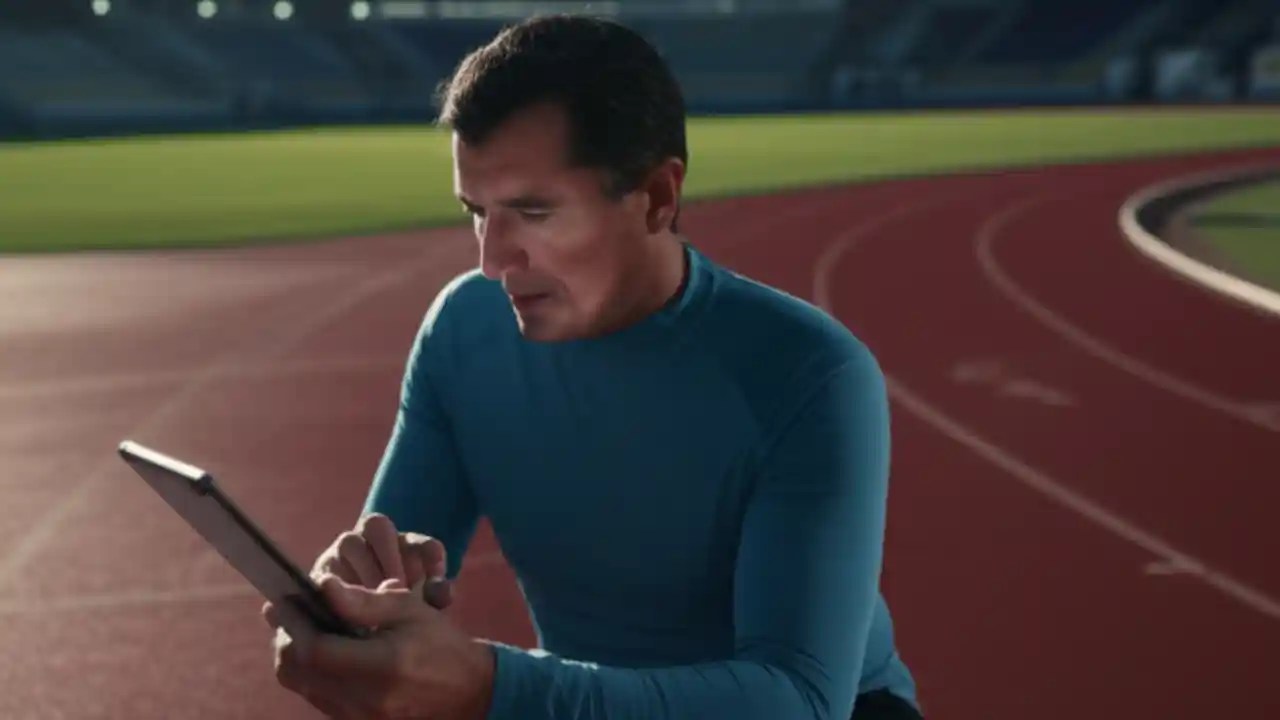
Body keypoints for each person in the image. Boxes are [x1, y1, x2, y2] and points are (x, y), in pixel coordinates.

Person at [262, 13, 922, 720]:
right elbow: (392, 561)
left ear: (659, 198)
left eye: (533, 212)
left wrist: (493, 690)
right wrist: (358, 596)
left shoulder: (810, 372)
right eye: (476, 211)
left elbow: (797, 698)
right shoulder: (463, 331)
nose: (491, 260)